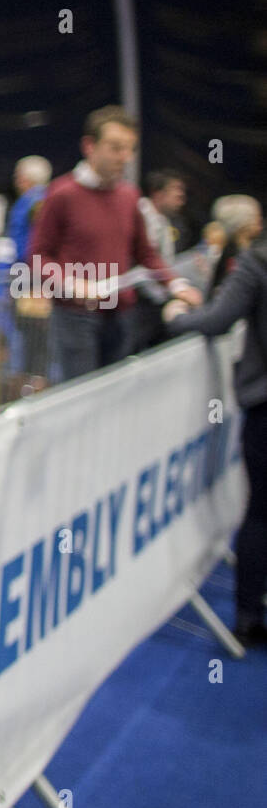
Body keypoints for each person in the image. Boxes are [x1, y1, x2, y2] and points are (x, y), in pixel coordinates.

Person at [30, 105, 200, 381]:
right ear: (89, 146)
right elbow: (39, 256)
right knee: (80, 396)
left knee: (114, 396)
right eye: (115, 147)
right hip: (76, 317)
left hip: (121, 315)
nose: (125, 157)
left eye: (129, 149)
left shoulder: (129, 196)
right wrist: (73, 285)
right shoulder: (61, 194)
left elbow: (146, 254)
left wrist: (176, 284)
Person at [163, 203, 267, 645]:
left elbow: (217, 320)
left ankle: (247, 617)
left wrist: (174, 319)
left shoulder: (257, 261)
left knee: (260, 511)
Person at [6, 155, 51, 264]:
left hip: (30, 263)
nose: (16, 181)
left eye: (18, 176)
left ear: (25, 178)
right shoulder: (52, 196)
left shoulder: (27, 202)